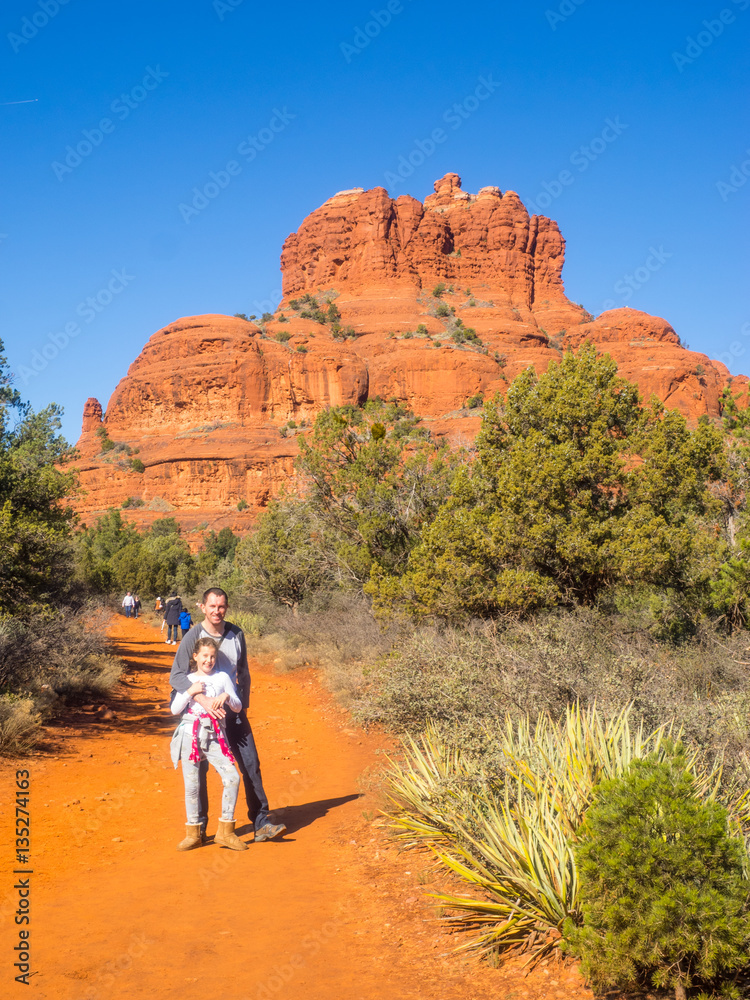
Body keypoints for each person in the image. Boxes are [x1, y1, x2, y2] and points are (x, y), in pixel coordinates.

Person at [170, 588, 286, 843]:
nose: (216, 611)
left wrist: (240, 706)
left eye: (221, 606)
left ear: (226, 607)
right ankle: (198, 829)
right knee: (198, 771)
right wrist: (204, 700)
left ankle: (261, 822)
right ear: (202, 607)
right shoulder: (193, 636)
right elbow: (176, 676)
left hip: (232, 714)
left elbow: (243, 673)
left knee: (251, 765)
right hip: (201, 718)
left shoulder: (236, 634)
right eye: (212, 606)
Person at [170, 637, 247, 852]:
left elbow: (238, 706)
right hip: (190, 735)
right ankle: (193, 834)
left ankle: (226, 831)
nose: (209, 660)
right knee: (192, 786)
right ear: (195, 657)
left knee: (232, 778)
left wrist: (226, 696)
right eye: (205, 656)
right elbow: (175, 709)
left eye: (212, 656)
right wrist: (190, 691)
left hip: (215, 737)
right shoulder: (187, 679)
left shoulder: (222, 677)